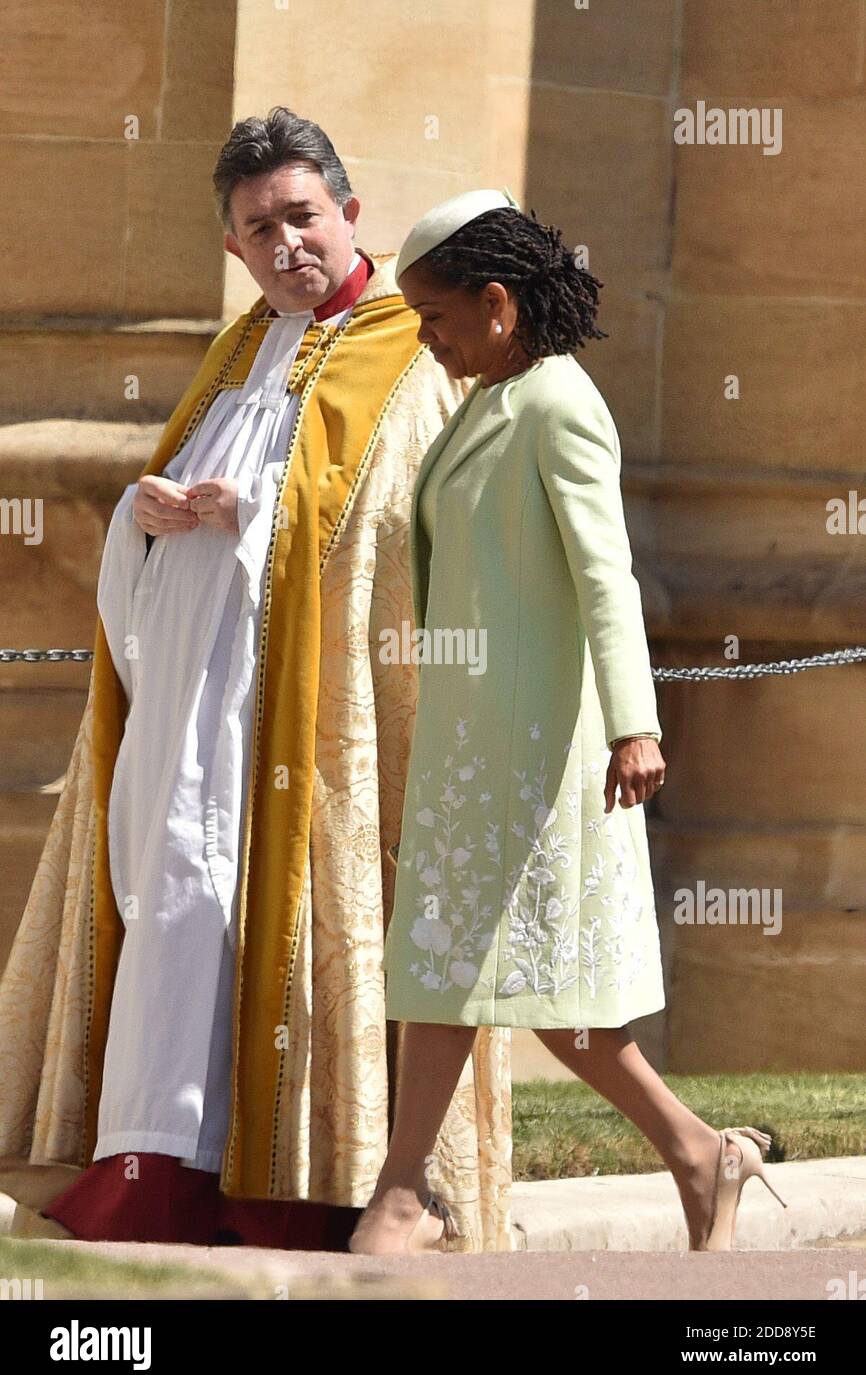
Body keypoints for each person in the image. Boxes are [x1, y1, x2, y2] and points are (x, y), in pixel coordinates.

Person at [0, 116, 512, 1253]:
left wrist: (260, 528)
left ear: (349, 213)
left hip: (317, 735)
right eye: (259, 229)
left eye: (302, 216)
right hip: (189, 711)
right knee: (174, 905)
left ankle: (295, 1182)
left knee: (270, 927)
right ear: (232, 248)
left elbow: (404, 542)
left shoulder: (407, 350)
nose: (286, 245)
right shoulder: (238, 353)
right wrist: (144, 519)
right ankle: (154, 1164)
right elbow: (183, 500)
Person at [348, 189, 787, 1255]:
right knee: (446, 963)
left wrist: (634, 725)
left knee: (545, 989)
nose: (426, 338)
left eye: (436, 316)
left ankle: (690, 1151)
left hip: (546, 753)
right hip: (473, 749)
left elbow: (605, 575)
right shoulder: (488, 404)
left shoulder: (557, 402)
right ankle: (410, 1189)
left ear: (496, 306)